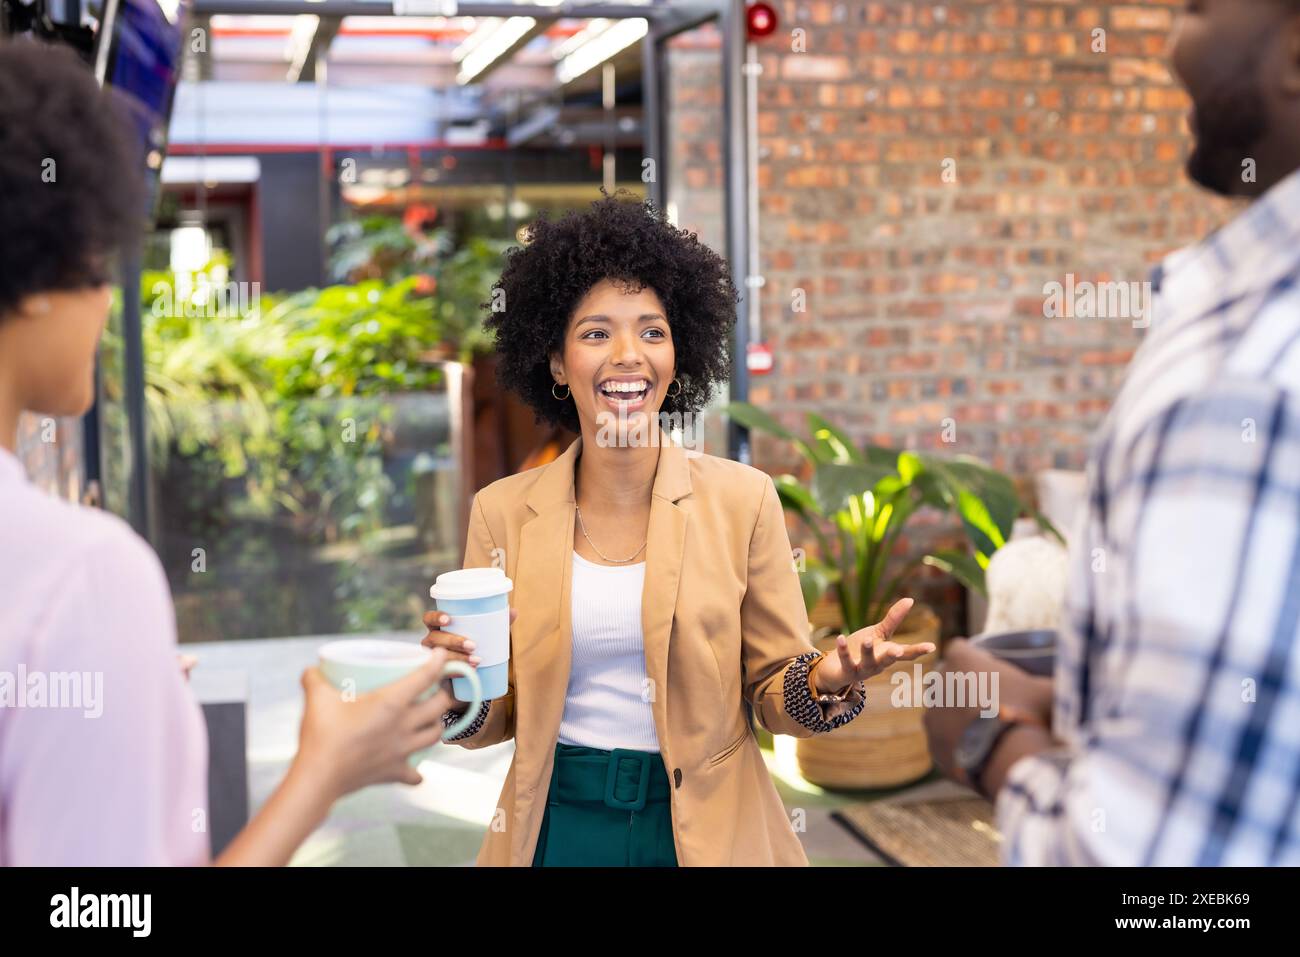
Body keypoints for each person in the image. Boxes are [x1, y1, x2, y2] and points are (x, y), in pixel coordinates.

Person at [0, 38, 460, 866]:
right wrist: (323, 774)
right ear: (35, 280)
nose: (110, 301)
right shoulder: (77, 576)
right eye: (103, 261)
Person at [422, 193, 929, 866]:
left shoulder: (744, 501)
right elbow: (495, 717)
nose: (628, 354)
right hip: (558, 824)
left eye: (652, 331)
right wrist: (459, 681)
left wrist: (828, 674)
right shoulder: (502, 511)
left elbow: (774, 689)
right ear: (554, 361)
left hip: (704, 828)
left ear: (677, 354)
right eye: (596, 332)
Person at [924, 0, 1300, 865]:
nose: (1171, 47)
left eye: (1198, 8)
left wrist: (984, 736)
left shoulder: (1246, 375)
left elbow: (1164, 883)